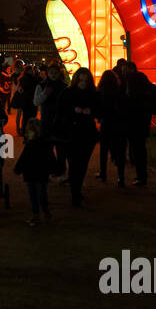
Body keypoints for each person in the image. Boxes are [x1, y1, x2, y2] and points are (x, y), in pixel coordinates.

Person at [54, 67, 100, 206]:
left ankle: (77, 190)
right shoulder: (68, 92)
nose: (83, 81)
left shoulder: (93, 93)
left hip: (87, 132)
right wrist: (74, 110)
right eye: (81, 78)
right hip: (71, 132)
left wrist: (90, 111)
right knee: (74, 163)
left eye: (85, 79)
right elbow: (60, 109)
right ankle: (76, 193)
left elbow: (99, 108)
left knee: (82, 163)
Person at [125, 64, 156, 186]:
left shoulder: (134, 94)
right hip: (144, 122)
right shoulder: (149, 91)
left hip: (133, 123)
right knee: (141, 149)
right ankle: (142, 175)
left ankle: (141, 176)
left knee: (137, 150)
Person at [14, 118, 55, 225]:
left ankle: (38, 213)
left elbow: (23, 158)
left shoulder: (32, 145)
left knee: (36, 194)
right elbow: (51, 158)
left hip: (32, 172)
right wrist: (53, 169)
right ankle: (42, 212)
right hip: (39, 173)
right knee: (39, 193)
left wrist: (18, 169)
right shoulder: (43, 144)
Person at [95, 69, 127, 185]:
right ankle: (121, 177)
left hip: (106, 123)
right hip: (119, 125)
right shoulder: (120, 93)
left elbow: (98, 110)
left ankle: (103, 173)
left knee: (104, 150)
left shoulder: (100, 93)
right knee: (120, 151)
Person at [18, 64, 40, 137]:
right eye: (31, 70)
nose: (32, 71)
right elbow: (27, 88)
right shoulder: (27, 78)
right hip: (29, 100)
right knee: (28, 117)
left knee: (27, 117)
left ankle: (27, 131)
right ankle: (26, 132)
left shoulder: (28, 78)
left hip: (28, 100)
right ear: (28, 71)